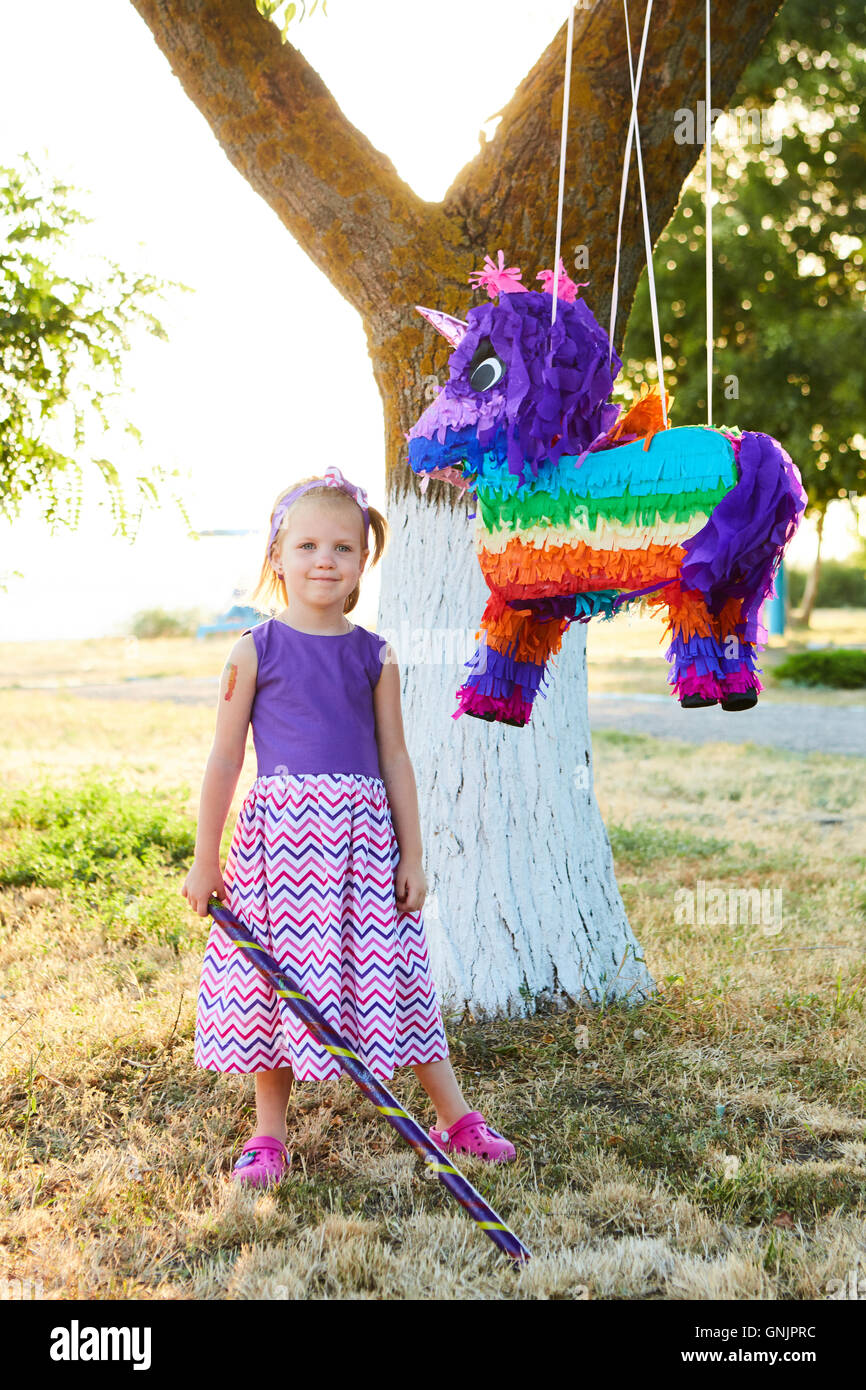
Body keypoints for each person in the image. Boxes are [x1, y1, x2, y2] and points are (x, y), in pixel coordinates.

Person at [181, 465, 516, 1186]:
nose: (324, 561)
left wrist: (412, 856)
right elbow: (224, 758)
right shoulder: (254, 650)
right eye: (306, 546)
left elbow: (395, 757)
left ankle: (456, 1117)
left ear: (364, 560)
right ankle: (269, 1135)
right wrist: (206, 859)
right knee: (278, 983)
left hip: (363, 848)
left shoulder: (375, 653)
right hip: (280, 850)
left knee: (398, 974)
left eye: (342, 547)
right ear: (277, 556)